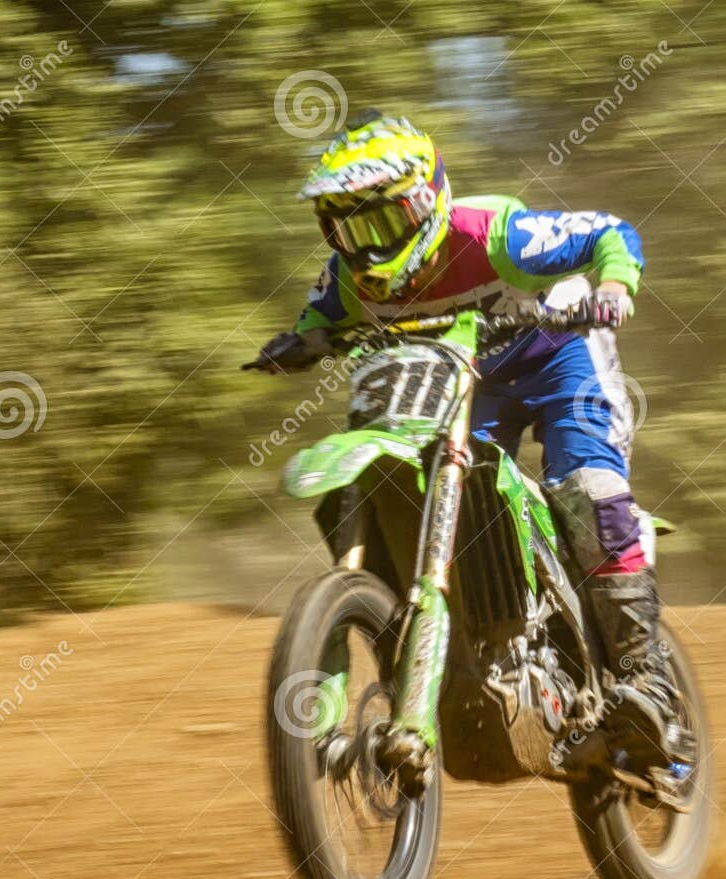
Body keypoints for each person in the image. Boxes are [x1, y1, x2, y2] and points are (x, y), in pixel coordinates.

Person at [253, 111, 680, 771]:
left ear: (424, 203)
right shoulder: (348, 277)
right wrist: (298, 343)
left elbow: (609, 233)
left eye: (380, 224)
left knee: (587, 490)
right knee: (427, 474)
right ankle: (477, 643)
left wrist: (615, 287)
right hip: (462, 377)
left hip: (560, 356)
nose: (365, 244)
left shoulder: (497, 235)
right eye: (348, 227)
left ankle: (645, 677)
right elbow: (321, 319)